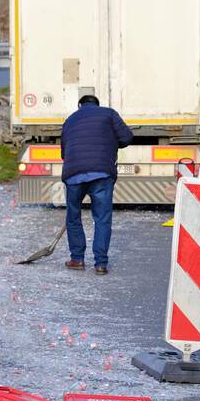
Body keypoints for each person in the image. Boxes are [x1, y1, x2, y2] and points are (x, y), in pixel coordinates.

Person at [60, 93, 134, 274]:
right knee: (102, 219)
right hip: (101, 173)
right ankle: (100, 263)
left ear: (80, 106)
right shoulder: (108, 114)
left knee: (73, 217)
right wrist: (110, 142)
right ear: (97, 104)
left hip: (74, 174)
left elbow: (64, 152)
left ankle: (77, 259)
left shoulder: (70, 120)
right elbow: (126, 137)